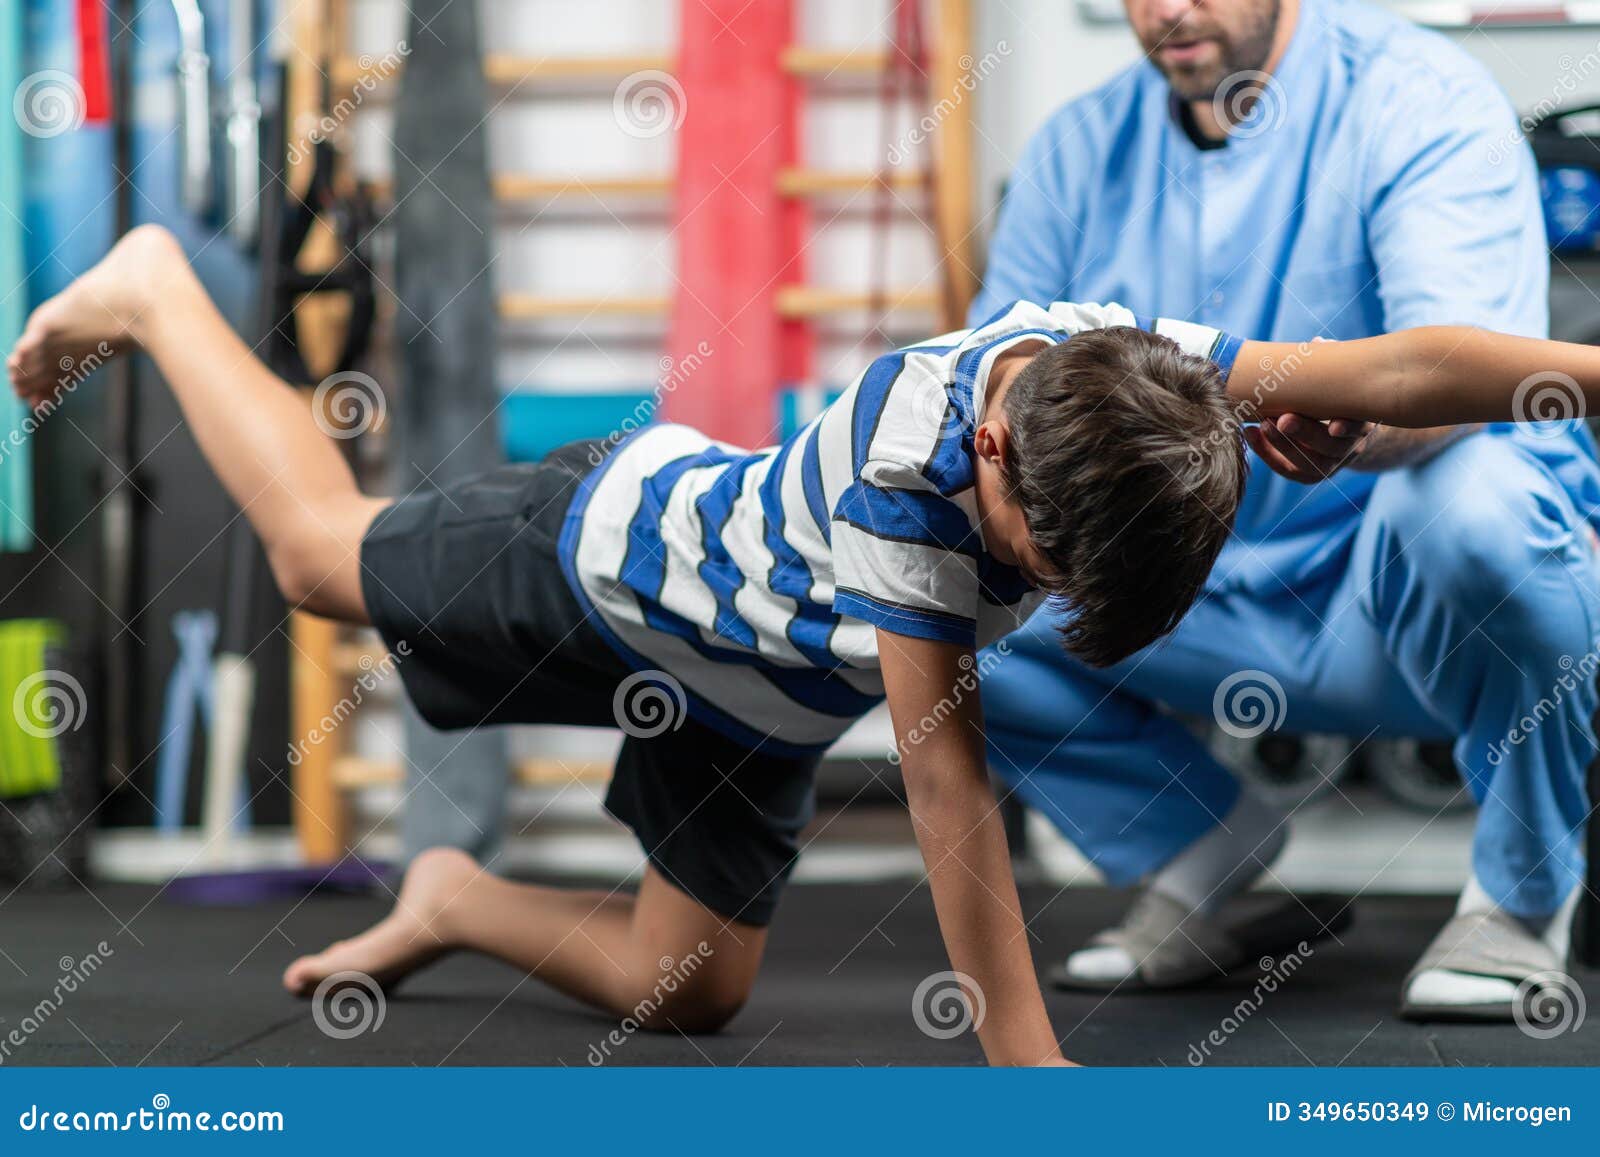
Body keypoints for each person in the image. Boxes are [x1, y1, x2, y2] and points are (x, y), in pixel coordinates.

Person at [12, 226, 1600, 1062]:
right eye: (1035, 569)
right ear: (991, 453)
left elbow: (1401, 366)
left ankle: (447, 896)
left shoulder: (1155, 379)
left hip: (758, 699)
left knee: (685, 989)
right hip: (601, 563)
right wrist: (1034, 1084)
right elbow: (946, 790)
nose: (1033, 595)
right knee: (309, 558)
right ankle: (157, 289)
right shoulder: (910, 481)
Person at [973, 0, 1596, 1018]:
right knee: (932, 562)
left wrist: (1357, 424)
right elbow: (994, 389)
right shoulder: (1077, 150)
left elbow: (1461, 373)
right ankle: (1201, 850)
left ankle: (1520, 900)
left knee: (1475, 505)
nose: (1165, 10)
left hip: (1394, 596)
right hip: (1190, 597)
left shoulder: (1419, 95)